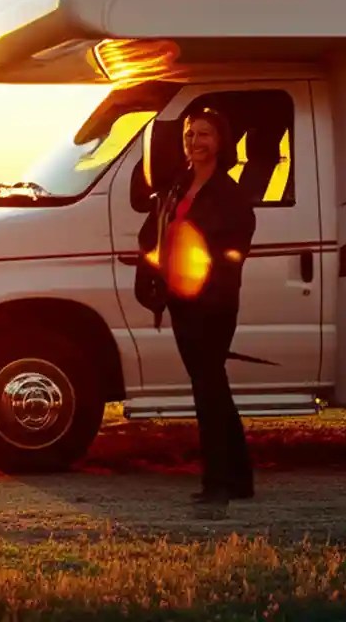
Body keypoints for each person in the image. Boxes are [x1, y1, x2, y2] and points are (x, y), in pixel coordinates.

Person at [137, 107, 256, 513]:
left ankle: (217, 484)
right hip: (180, 301)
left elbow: (234, 251)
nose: (195, 141)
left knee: (207, 391)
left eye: (204, 134)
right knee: (213, 387)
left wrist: (208, 288)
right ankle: (240, 478)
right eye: (190, 134)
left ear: (221, 142)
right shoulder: (177, 185)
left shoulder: (230, 193)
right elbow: (154, 231)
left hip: (213, 306)